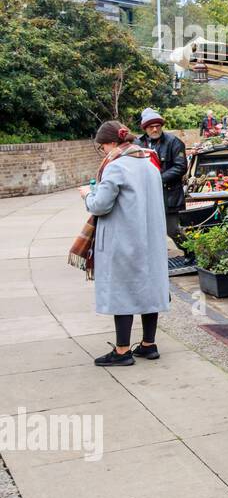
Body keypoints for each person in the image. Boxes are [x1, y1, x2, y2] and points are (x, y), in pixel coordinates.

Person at [78, 121, 171, 366]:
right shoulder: (149, 163)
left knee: (123, 290)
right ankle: (148, 344)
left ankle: (121, 351)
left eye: (102, 147)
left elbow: (100, 205)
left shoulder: (116, 167)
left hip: (124, 237)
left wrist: (88, 195)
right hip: (150, 237)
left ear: (111, 143)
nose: (103, 152)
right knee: (149, 287)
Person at [136, 108, 187, 251]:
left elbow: (181, 167)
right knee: (149, 231)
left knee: (172, 229)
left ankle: (191, 252)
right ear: (145, 128)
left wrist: (156, 179)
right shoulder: (137, 144)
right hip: (146, 195)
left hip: (169, 194)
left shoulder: (174, 142)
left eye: (157, 126)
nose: (154, 129)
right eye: (151, 127)